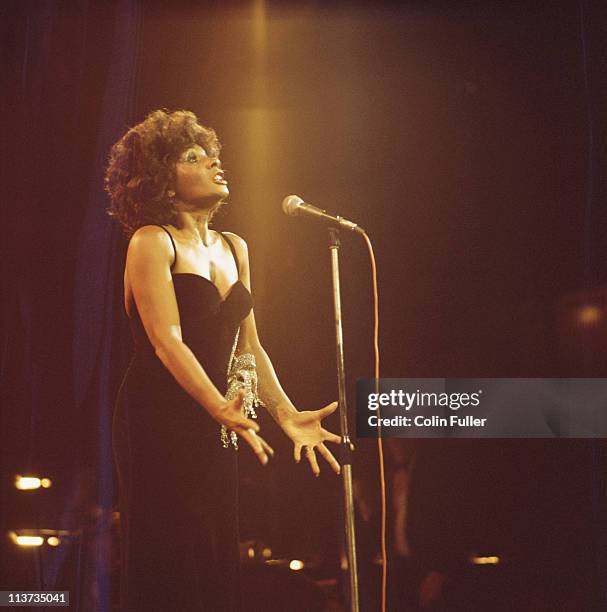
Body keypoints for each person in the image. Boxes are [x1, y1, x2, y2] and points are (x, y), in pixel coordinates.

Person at [105, 109, 342, 612]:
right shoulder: (151, 241)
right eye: (193, 157)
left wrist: (286, 414)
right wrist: (217, 406)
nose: (214, 161)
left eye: (212, 153)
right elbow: (167, 341)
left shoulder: (235, 247)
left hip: (220, 419)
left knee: (214, 552)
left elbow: (249, 346)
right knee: (172, 554)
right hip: (159, 417)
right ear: (161, 179)